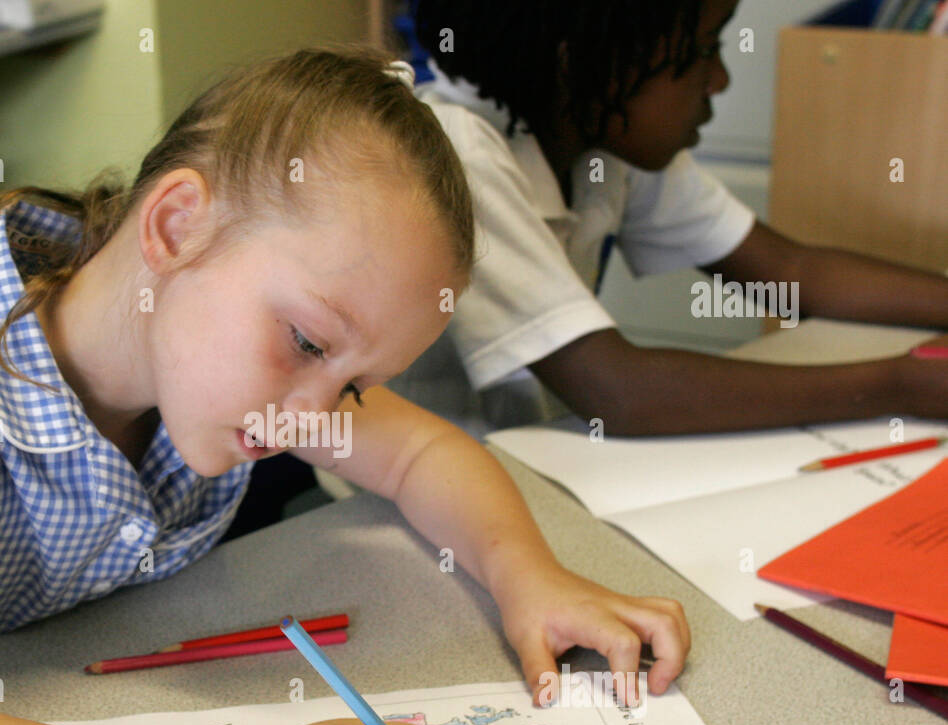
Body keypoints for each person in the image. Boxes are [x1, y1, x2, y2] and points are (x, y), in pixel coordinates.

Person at [0, 46, 689, 725]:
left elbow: (419, 454)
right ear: (177, 227)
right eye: (305, 342)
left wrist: (527, 575)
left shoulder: (214, 369)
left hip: (73, 712)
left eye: (349, 386)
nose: (311, 417)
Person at [401, 0, 948, 436]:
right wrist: (898, 385)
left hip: (515, 466)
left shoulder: (602, 137)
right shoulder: (456, 152)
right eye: (705, 49)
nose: (720, 81)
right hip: (400, 502)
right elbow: (621, 393)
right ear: (588, 62)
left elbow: (791, 270)